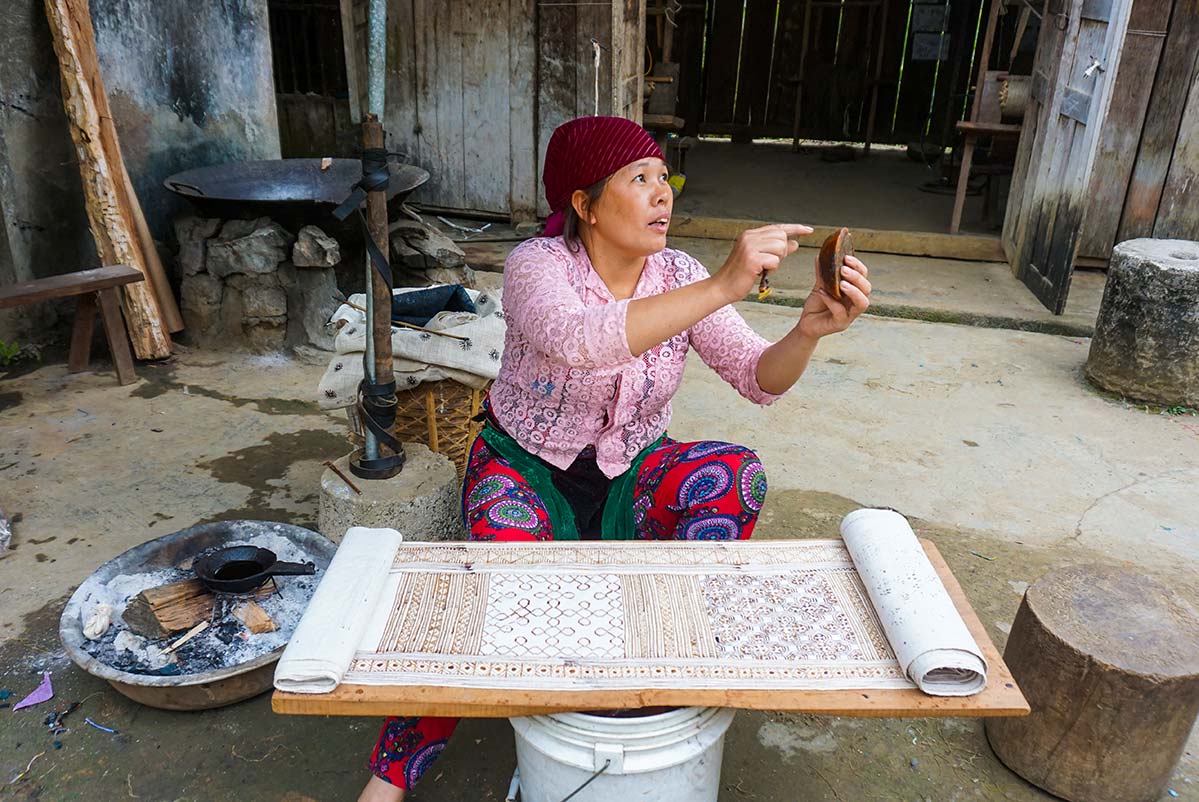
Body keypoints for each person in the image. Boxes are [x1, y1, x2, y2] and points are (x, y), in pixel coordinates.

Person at [358, 115, 871, 801]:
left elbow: (756, 377)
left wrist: (806, 333)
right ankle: (391, 779)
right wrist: (722, 285)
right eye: (638, 178)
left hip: (631, 474)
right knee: (495, 607)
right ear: (584, 204)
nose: (662, 194)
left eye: (665, 177)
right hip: (526, 471)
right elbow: (579, 340)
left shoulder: (679, 273)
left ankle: (666, 655)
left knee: (731, 475)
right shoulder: (535, 266)